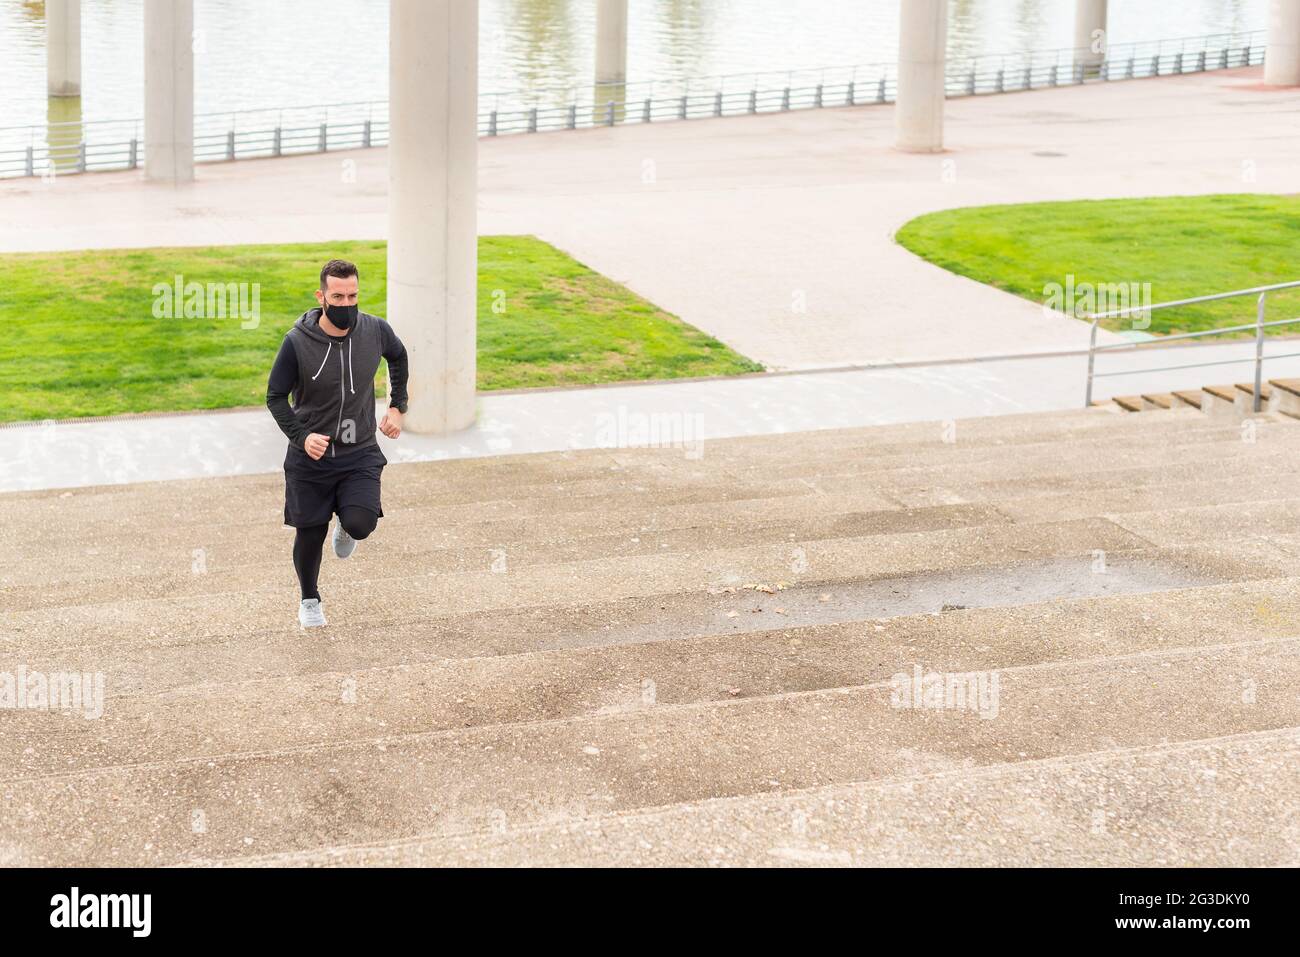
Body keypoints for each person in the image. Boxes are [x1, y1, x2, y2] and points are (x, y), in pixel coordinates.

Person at [265, 259, 409, 627]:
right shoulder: (297, 343)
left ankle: (346, 521)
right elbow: (275, 396)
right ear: (322, 296)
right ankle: (310, 598)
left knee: (361, 523)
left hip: (359, 451)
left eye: (353, 295)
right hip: (311, 459)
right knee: (310, 535)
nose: (347, 304)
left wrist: (397, 407)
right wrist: (301, 436)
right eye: (338, 296)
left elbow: (398, 355)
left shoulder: (375, 330)